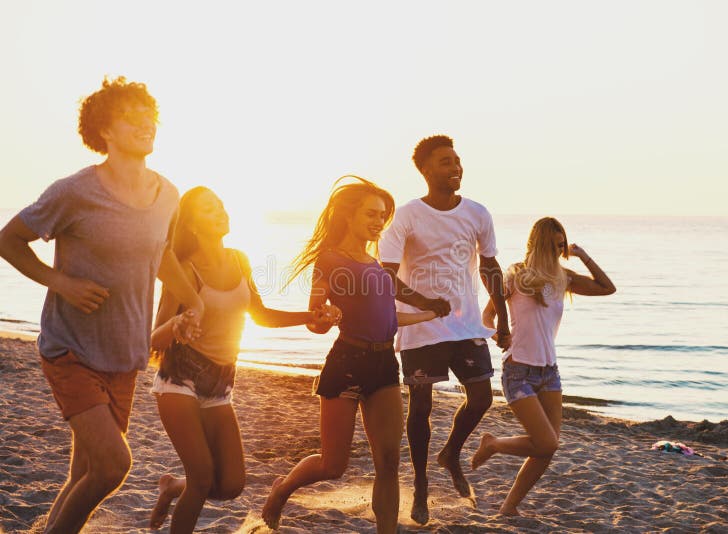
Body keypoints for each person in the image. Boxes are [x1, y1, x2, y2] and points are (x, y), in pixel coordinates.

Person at [0, 77, 203, 534]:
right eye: (131, 116)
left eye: (149, 114)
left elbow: (159, 254)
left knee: (87, 469)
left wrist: (193, 302)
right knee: (113, 465)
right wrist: (61, 282)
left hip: (124, 354)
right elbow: (8, 240)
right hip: (70, 348)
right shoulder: (73, 191)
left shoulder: (168, 194)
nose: (145, 123)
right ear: (104, 130)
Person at [147, 186, 340, 533]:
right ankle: (184, 490)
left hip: (220, 385)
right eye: (208, 209)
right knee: (202, 477)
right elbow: (153, 340)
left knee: (231, 485)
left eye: (220, 205)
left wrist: (308, 317)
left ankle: (173, 487)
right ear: (191, 224)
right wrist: (176, 326)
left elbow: (260, 314)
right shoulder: (185, 270)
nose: (220, 212)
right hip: (179, 381)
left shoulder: (239, 259)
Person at [261, 176, 438, 534]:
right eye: (371, 214)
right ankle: (282, 489)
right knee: (333, 466)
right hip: (347, 363)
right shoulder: (329, 260)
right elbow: (316, 318)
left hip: (384, 365)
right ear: (349, 216)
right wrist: (325, 317)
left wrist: (428, 314)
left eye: (383, 215)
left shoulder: (376, 263)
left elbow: (387, 317)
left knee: (388, 463)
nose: (378, 221)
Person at [379, 134, 512, 524]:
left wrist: (503, 320)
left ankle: (450, 452)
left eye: (457, 160)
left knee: (482, 398)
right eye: (445, 162)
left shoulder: (477, 213)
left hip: (466, 325)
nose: (455, 168)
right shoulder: (407, 216)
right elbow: (385, 275)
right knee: (421, 406)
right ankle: (421, 485)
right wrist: (424, 303)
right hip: (422, 329)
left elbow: (490, 267)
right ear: (425, 170)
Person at [472, 216, 616, 515]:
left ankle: (509, 507)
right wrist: (497, 334)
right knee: (547, 443)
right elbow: (486, 316)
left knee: (546, 448)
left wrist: (583, 255)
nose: (558, 250)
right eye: (553, 245)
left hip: (550, 373)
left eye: (561, 245)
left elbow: (607, 288)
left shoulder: (565, 277)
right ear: (538, 244)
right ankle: (493, 444)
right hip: (518, 371)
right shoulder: (515, 276)